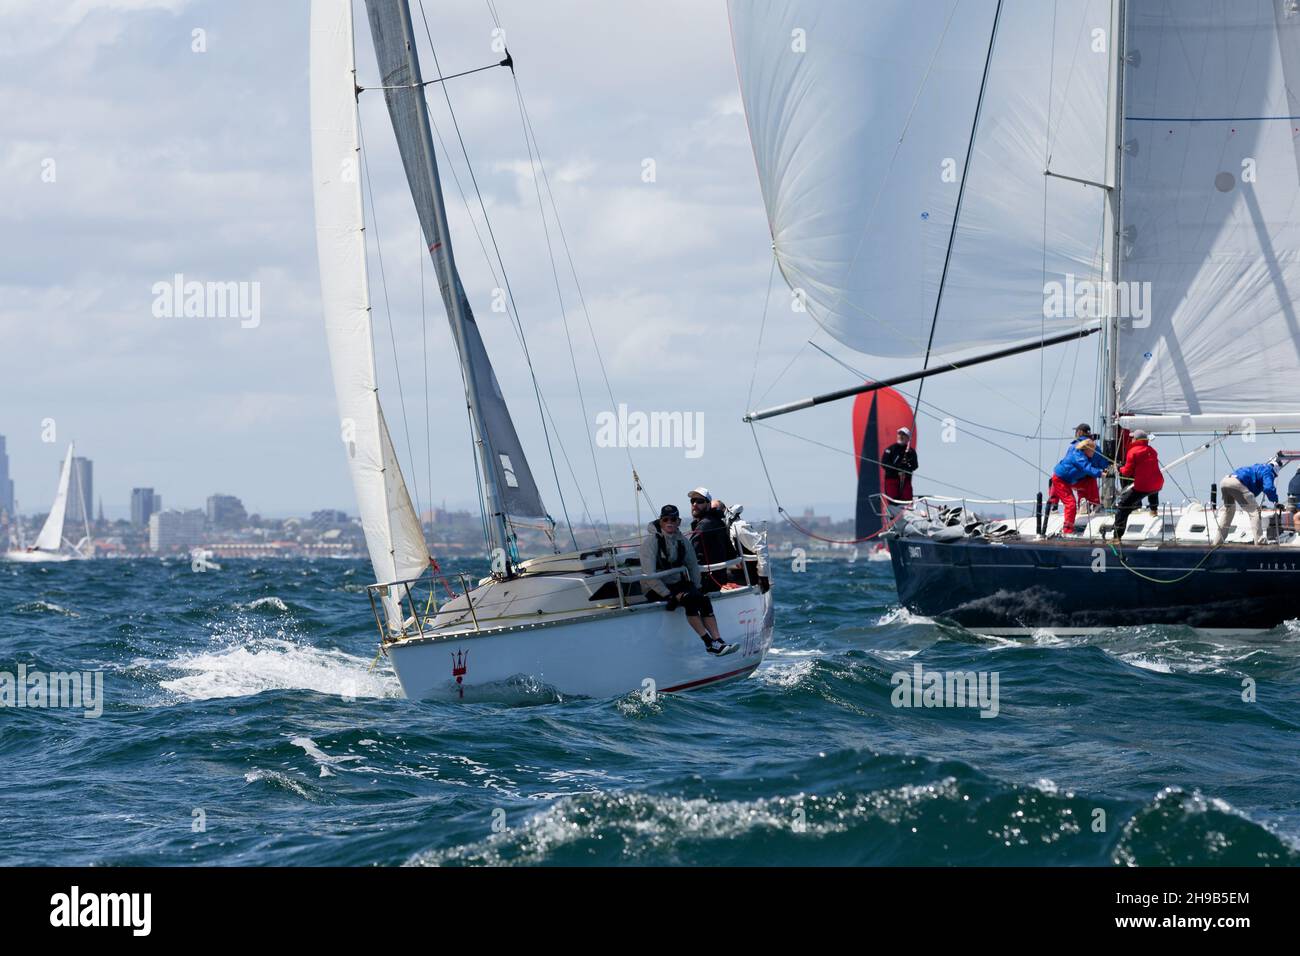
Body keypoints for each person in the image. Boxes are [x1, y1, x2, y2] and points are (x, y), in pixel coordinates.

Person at [638, 504, 738, 655]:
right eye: (665, 519)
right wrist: (667, 595)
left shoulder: (681, 540)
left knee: (703, 599)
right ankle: (708, 643)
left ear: (678, 522)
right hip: (654, 588)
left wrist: (697, 587)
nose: (669, 522)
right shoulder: (651, 542)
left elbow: (693, 566)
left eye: (673, 519)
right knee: (690, 600)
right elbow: (649, 575)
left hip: (677, 584)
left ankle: (718, 641)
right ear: (660, 522)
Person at [1112, 430, 1163, 540]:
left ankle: (1117, 536)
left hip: (1143, 486)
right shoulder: (1152, 450)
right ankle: (1154, 510)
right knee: (1153, 489)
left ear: (1136, 439)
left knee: (1123, 506)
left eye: (1133, 438)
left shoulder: (1133, 451)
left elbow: (1127, 472)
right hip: (1158, 483)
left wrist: (1119, 468)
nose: (1132, 440)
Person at [1216, 458, 1281, 545]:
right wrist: (1275, 501)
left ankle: (1217, 541)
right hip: (1236, 483)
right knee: (1255, 511)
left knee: (1229, 511)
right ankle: (1260, 541)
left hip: (1225, 481)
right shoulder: (1268, 471)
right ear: (1275, 471)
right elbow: (1268, 488)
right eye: (1275, 476)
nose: (1273, 477)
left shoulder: (1257, 467)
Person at [1050, 438, 1106, 535]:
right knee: (1071, 504)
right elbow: (1085, 467)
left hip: (1072, 480)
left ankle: (1094, 504)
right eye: (1092, 450)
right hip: (1061, 480)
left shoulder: (1087, 456)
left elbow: (1100, 462)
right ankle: (1067, 531)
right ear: (1087, 449)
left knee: (1090, 480)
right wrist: (1100, 473)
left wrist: (1110, 467)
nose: (1093, 453)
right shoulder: (1077, 455)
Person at [687, 487, 738, 591]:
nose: (695, 504)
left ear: (708, 504)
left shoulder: (705, 525)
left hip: (707, 582)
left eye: (700, 501)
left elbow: (690, 553)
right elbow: (731, 554)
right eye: (693, 501)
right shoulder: (717, 521)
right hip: (718, 578)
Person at [881, 427, 918, 514]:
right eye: (899, 434)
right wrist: (897, 468)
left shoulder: (911, 452)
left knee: (907, 500)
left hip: (906, 480)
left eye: (903, 435)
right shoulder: (890, 449)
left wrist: (906, 467)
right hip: (892, 480)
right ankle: (895, 516)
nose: (901, 436)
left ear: (908, 438)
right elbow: (884, 464)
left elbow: (915, 466)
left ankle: (909, 515)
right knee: (893, 500)